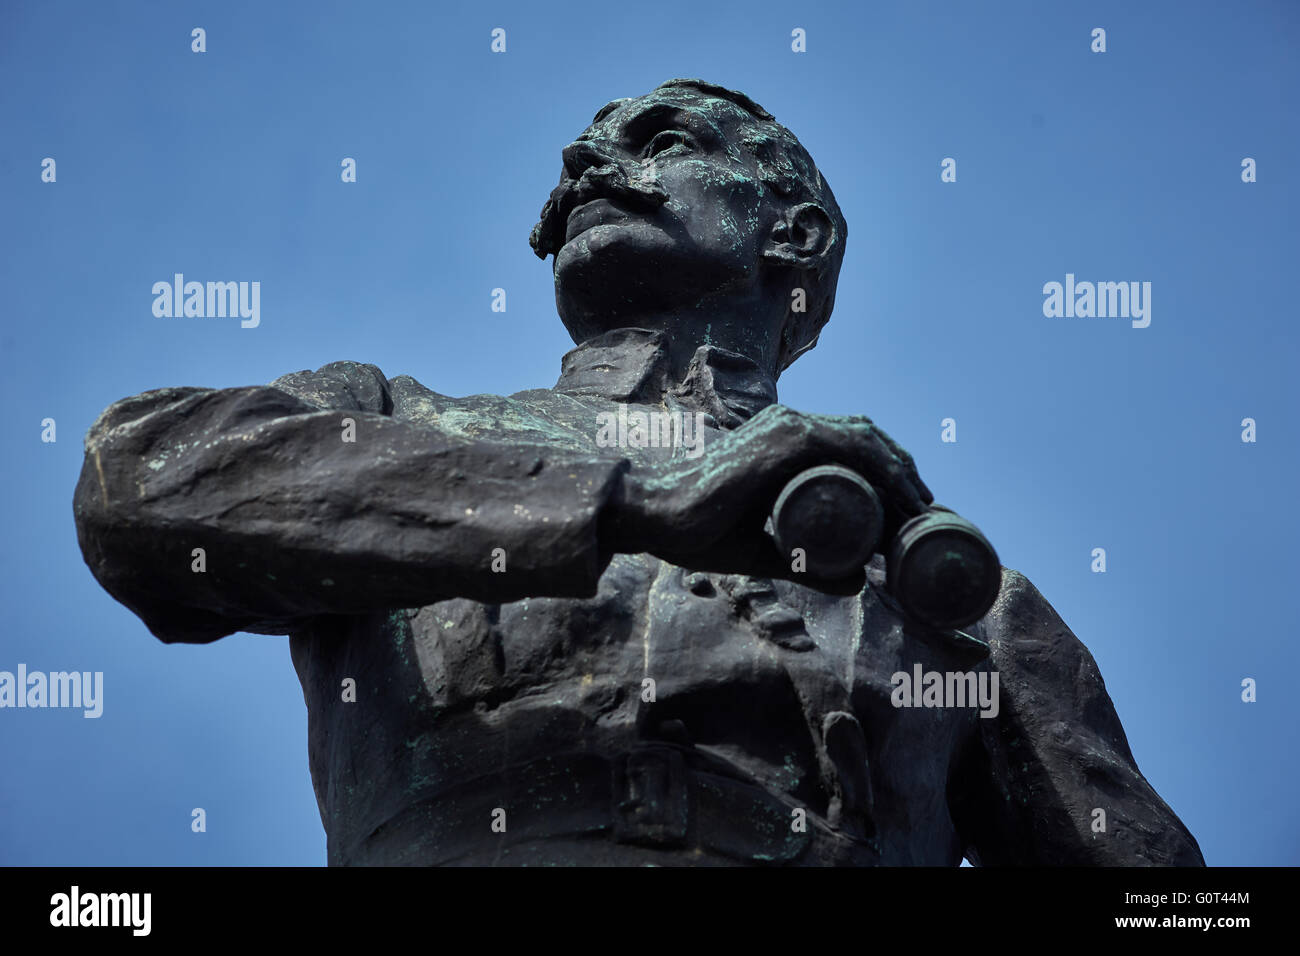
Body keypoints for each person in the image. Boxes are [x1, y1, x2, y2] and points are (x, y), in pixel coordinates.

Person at [74, 79, 1203, 866]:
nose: (582, 164)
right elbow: (138, 487)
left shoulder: (953, 598)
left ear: (793, 235)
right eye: (581, 150)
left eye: (661, 140)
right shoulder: (391, 422)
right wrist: (631, 507)